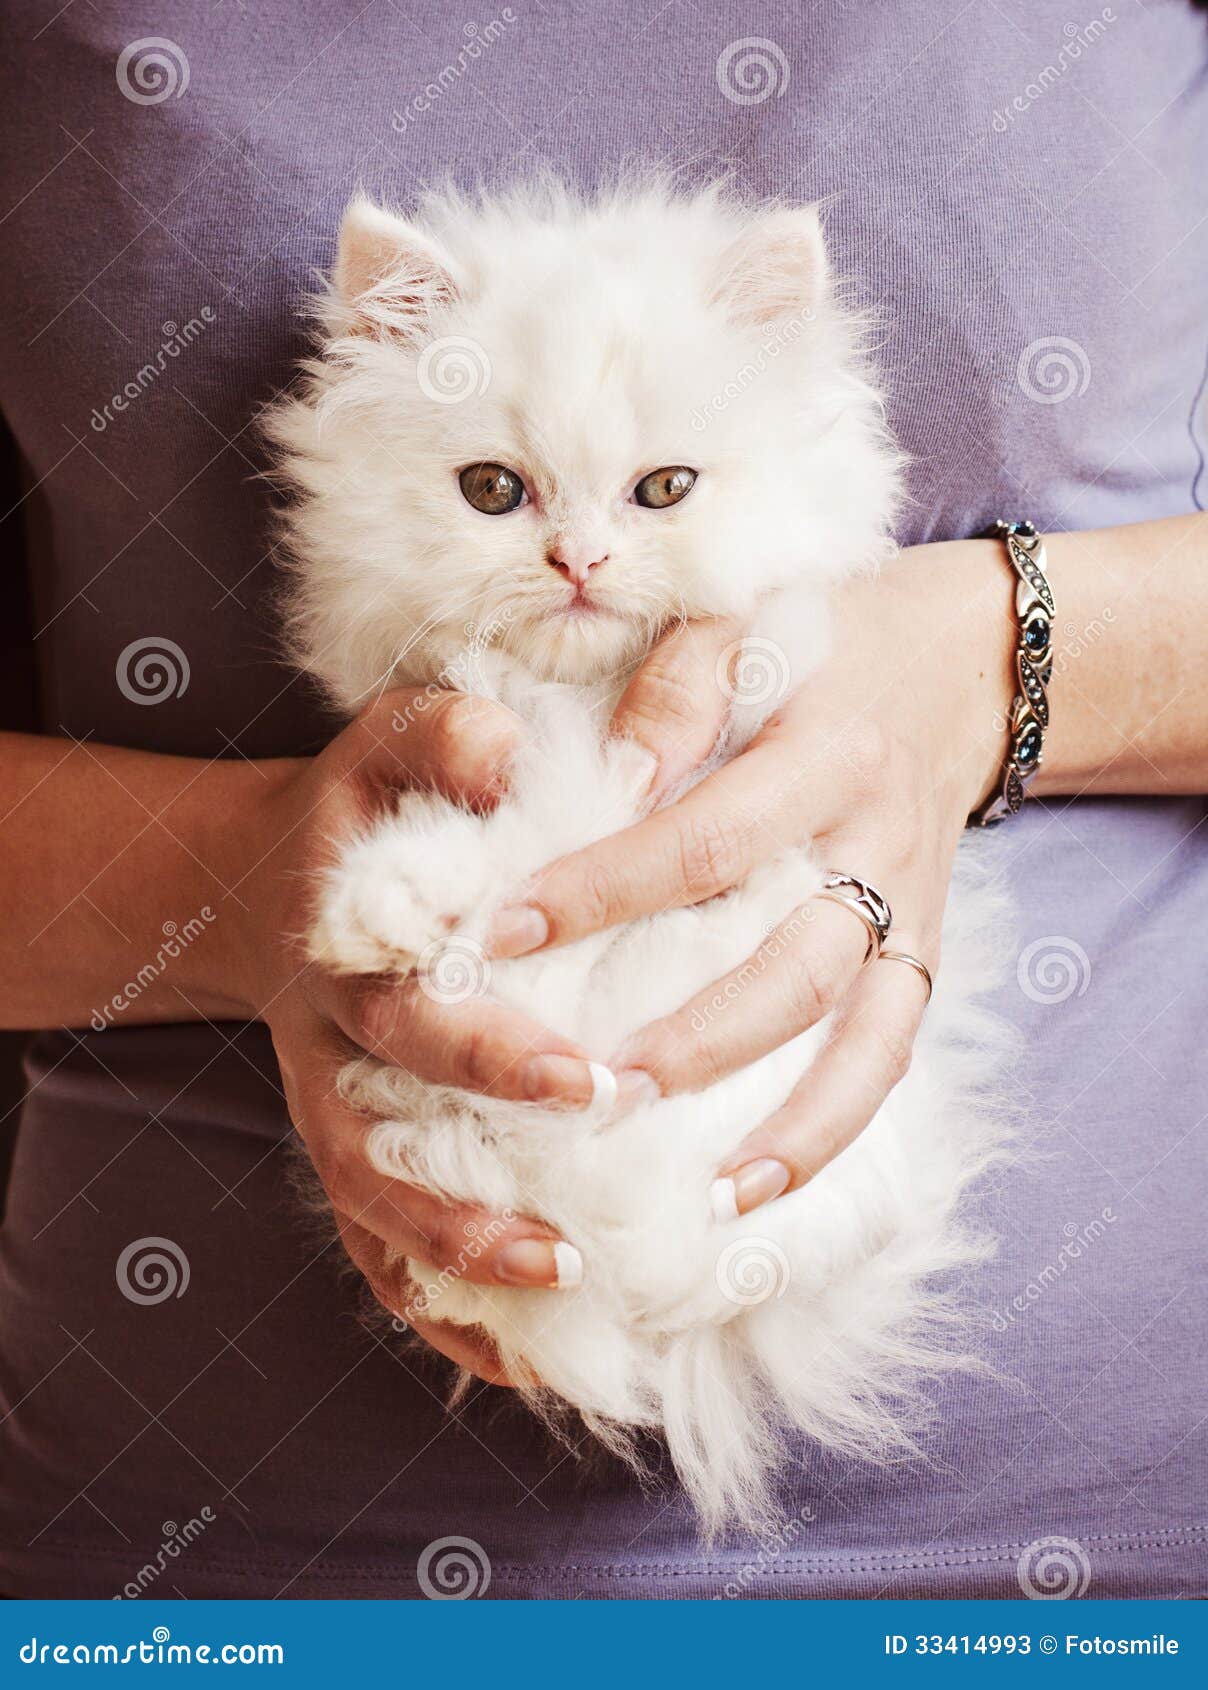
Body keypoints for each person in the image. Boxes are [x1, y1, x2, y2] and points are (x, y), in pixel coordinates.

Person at [1, 1, 1205, 1598]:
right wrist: (241, 887)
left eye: (655, 494)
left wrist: (990, 657)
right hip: (219, 1561)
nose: (581, 554)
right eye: (498, 491)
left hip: (1099, 1535)